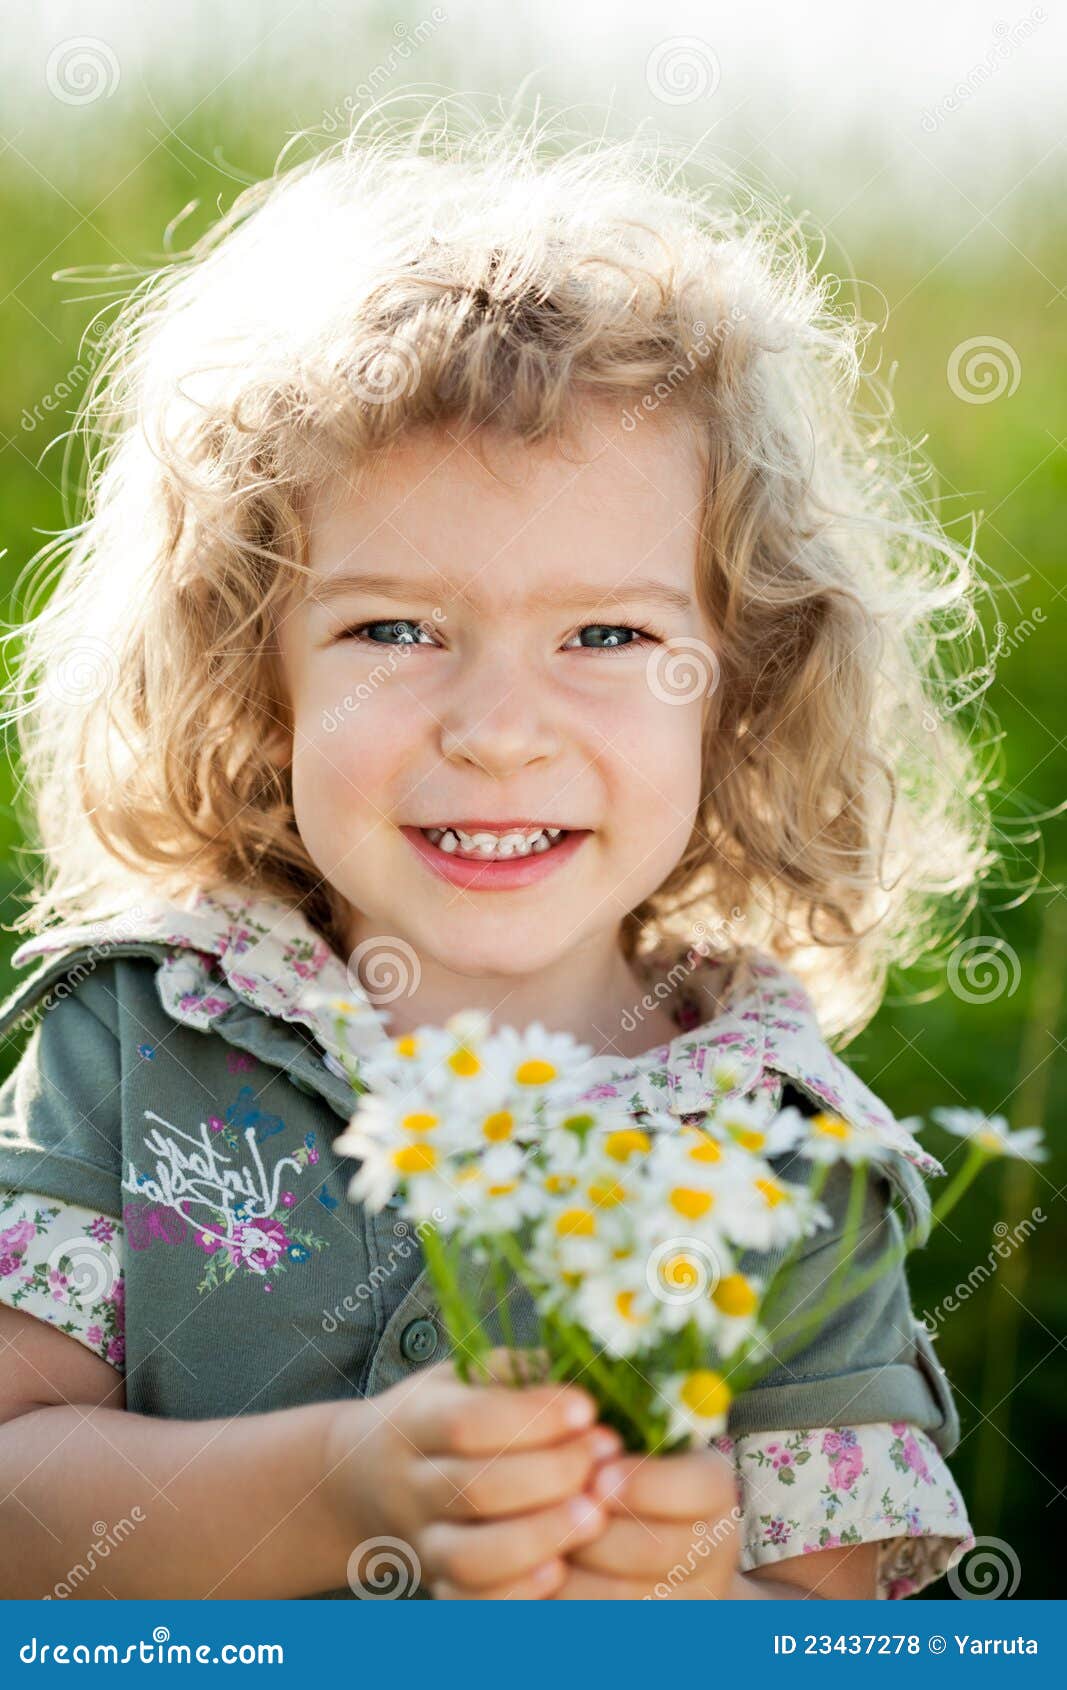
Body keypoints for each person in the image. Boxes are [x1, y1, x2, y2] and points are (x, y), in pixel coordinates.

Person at [0, 99, 988, 1600]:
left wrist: (699, 1597)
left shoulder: (786, 1157)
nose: (499, 728)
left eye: (608, 634)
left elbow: (851, 1627)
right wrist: (344, 1488)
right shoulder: (139, 1036)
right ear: (255, 680)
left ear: (740, 689)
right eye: (395, 629)